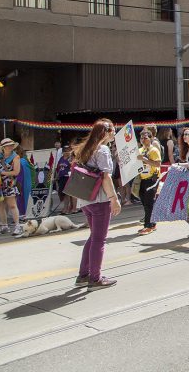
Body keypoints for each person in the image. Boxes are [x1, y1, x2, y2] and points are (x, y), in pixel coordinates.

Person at [73, 119, 121, 290]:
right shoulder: (103, 150)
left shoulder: (86, 149)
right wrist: (114, 198)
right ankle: (95, 278)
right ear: (106, 132)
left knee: (93, 237)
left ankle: (83, 275)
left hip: (85, 198)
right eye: (113, 130)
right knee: (99, 240)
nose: (115, 133)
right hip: (99, 199)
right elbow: (106, 177)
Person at [0, 138, 22, 236]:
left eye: (11, 144)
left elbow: (16, 172)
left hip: (9, 183)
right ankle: (4, 226)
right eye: (8, 145)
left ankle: (17, 226)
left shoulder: (16, 157)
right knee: (0, 206)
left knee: (12, 205)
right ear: (3, 147)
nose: (10, 146)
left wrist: (0, 172)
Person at [136, 130, 161, 235]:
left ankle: (148, 226)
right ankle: (153, 222)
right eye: (141, 138)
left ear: (150, 138)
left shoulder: (154, 150)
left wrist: (145, 159)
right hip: (142, 178)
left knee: (148, 203)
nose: (143, 139)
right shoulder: (140, 150)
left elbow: (158, 164)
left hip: (152, 179)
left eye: (145, 137)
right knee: (145, 201)